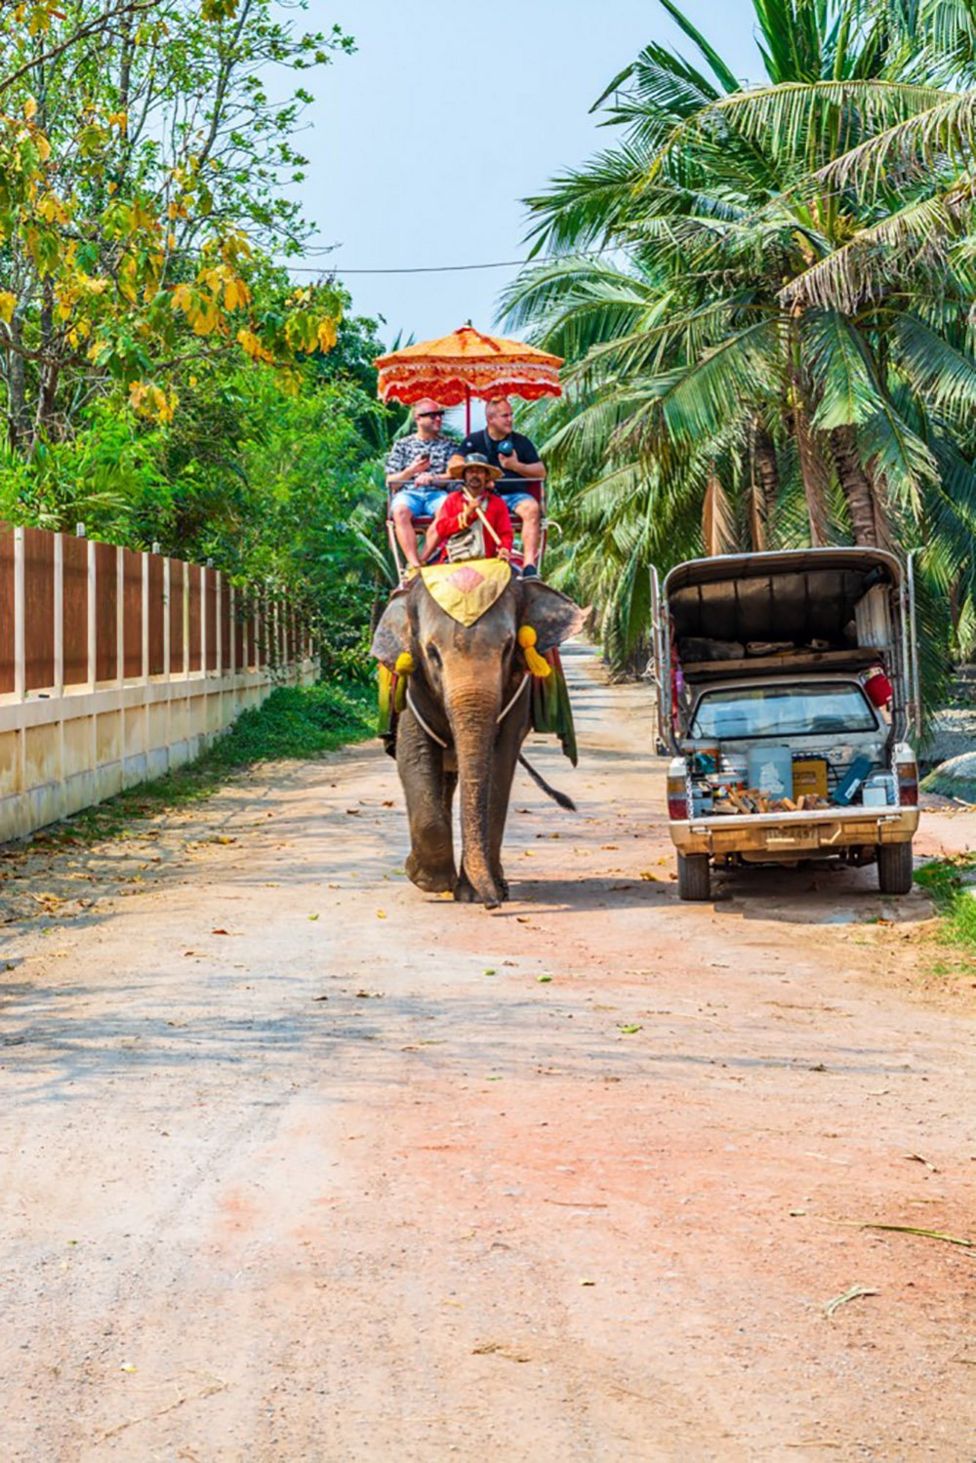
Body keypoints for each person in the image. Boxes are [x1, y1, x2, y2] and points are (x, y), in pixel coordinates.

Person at [452, 396, 545, 577]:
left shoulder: (521, 442)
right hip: (485, 496)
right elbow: (455, 462)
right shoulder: (474, 440)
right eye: (505, 416)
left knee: (532, 509)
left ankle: (529, 565)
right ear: (490, 419)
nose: (510, 419)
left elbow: (541, 472)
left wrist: (515, 466)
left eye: (511, 415)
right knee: (469, 510)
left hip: (515, 495)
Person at [385, 399, 456, 575]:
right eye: (432, 416)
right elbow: (391, 481)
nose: (438, 419)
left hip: (437, 492)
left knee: (448, 510)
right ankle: (413, 562)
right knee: (400, 511)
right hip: (409, 492)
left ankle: (422, 560)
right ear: (418, 418)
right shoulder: (402, 445)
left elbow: (454, 474)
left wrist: (432, 478)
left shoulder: (449, 445)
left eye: (440, 415)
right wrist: (412, 471)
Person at [430, 454, 513, 563]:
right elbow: (442, 529)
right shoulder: (453, 499)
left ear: (486, 476)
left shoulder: (497, 503)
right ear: (464, 476)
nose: (474, 475)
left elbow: (505, 533)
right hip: (455, 560)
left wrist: (505, 548)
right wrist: (467, 515)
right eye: (470, 471)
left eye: (479, 472)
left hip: (487, 561)